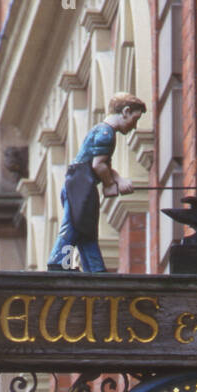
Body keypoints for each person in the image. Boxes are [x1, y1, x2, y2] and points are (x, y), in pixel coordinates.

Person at [47, 93, 147, 272]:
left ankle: (95, 268)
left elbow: (104, 165)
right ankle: (59, 261)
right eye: (135, 118)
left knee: (85, 227)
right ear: (125, 112)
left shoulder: (103, 130)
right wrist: (109, 185)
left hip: (80, 182)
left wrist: (119, 180)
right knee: (74, 226)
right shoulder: (106, 133)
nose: (134, 126)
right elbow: (98, 165)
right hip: (81, 183)